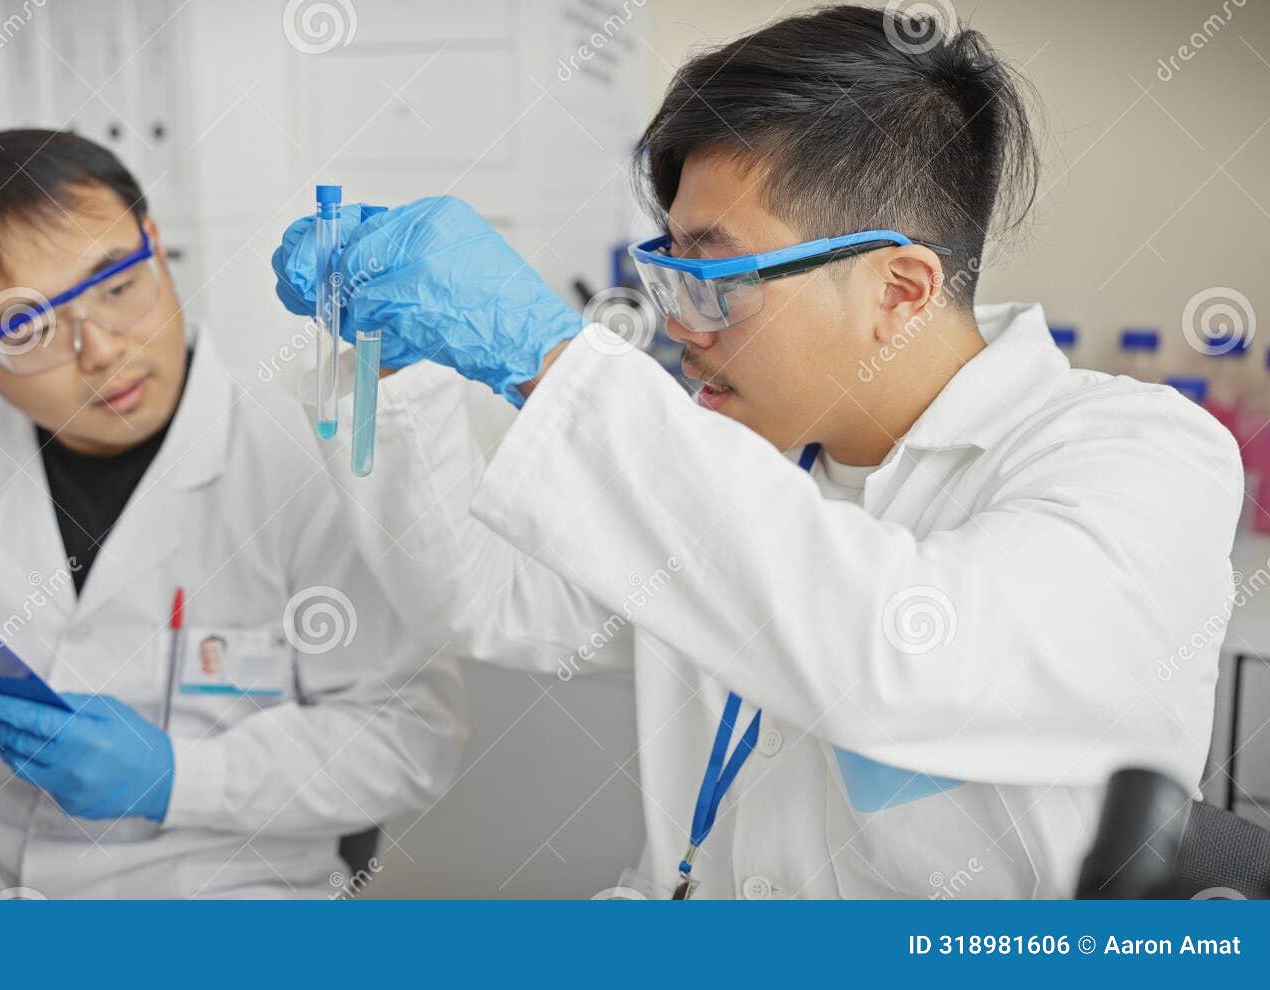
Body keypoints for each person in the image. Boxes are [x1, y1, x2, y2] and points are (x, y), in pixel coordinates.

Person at [271, 6, 1243, 898]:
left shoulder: (1144, 461)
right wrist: (400, 369)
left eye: (718, 277)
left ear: (901, 290)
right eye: (672, 272)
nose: (681, 325)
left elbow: (893, 655)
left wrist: (550, 360)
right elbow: (486, 599)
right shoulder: (755, 453)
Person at [0, 129, 464, 899]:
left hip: (215, 894)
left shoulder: (308, 463)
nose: (99, 349)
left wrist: (176, 777)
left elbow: (409, 742)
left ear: (156, 249)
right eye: (25, 327)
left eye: (118, 285)